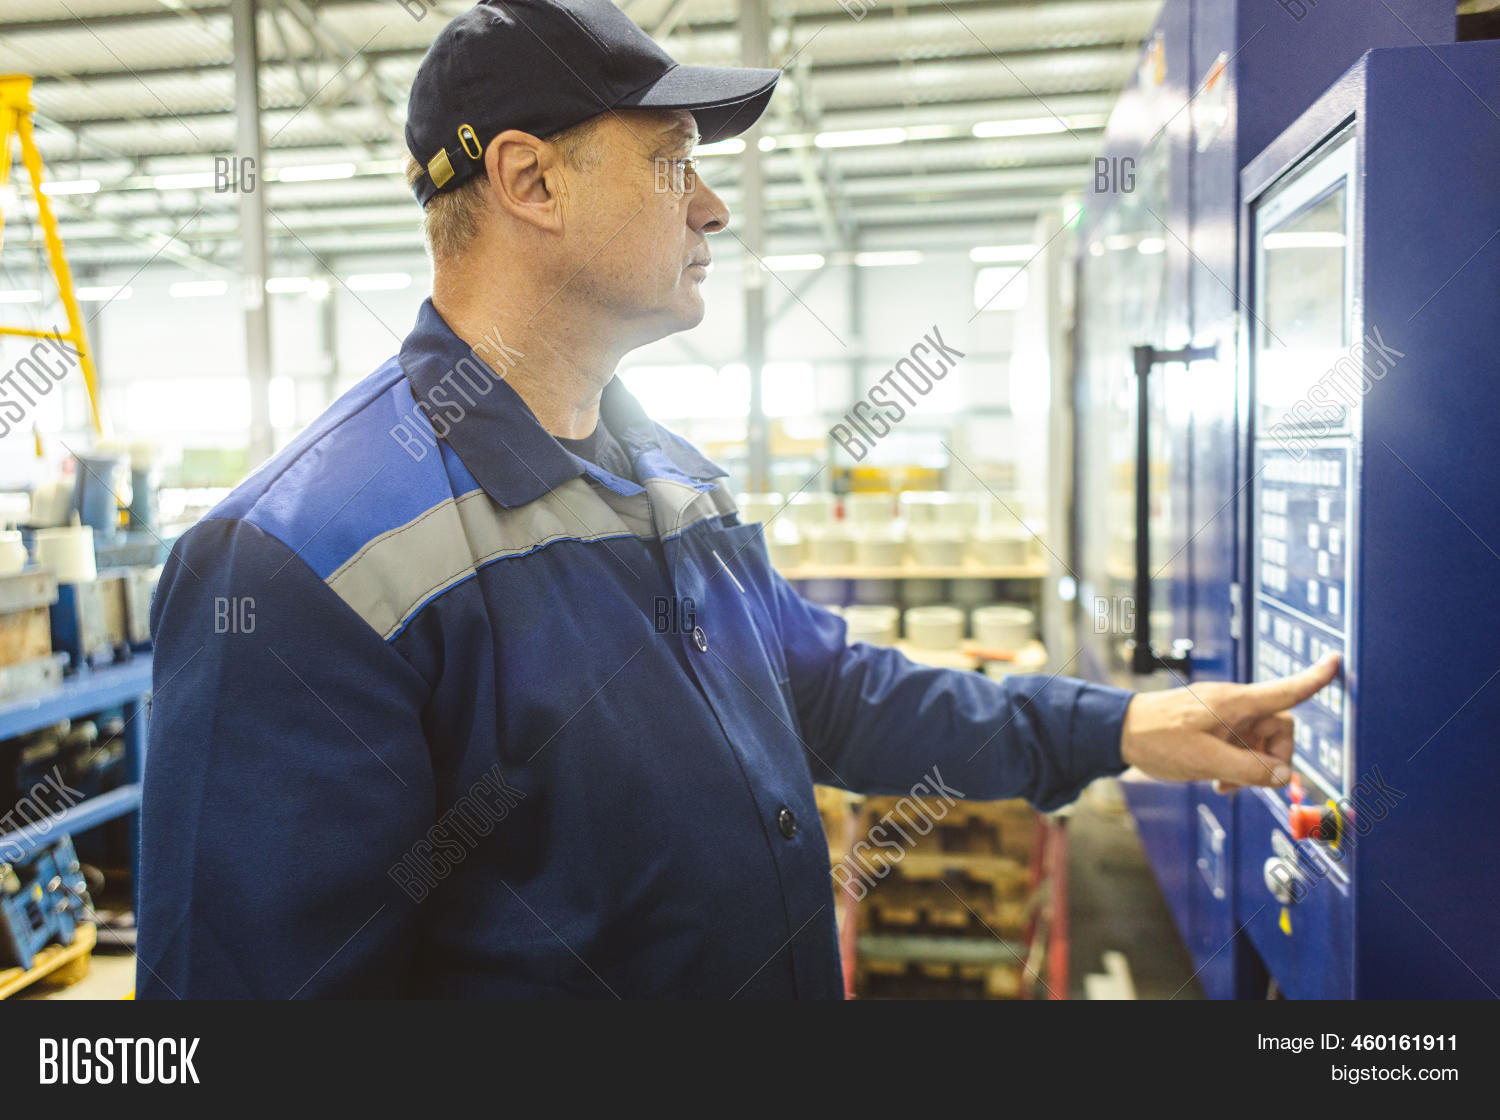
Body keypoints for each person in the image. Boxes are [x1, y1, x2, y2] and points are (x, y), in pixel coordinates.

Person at [136, 0, 1339, 998]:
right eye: (671, 162)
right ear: (529, 180)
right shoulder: (294, 562)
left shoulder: (669, 477)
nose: (710, 205)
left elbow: (830, 692)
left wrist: (1121, 730)